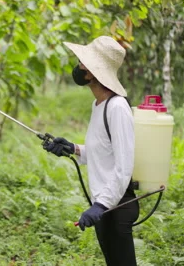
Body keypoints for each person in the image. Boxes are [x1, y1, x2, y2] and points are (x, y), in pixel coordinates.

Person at [42, 36, 140, 266]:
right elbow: (103, 153)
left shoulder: (117, 108)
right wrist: (72, 149)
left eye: (82, 63)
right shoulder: (99, 105)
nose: (78, 66)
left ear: (93, 73)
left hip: (118, 205)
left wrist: (101, 205)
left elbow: (124, 166)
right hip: (106, 204)